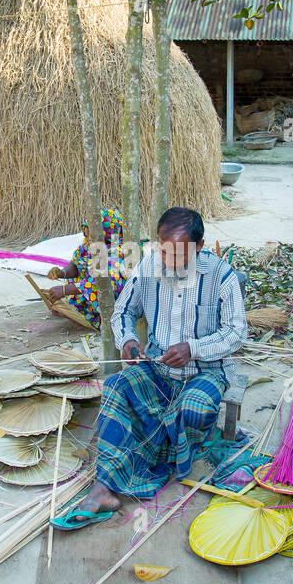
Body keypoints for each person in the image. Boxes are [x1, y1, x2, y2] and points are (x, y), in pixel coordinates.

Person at [52, 207, 247, 529]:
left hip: (206, 371)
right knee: (116, 386)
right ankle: (104, 489)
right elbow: (122, 313)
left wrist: (193, 349)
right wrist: (128, 341)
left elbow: (237, 332)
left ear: (199, 246)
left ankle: (139, 448)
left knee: (194, 409)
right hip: (158, 368)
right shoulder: (148, 267)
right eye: (164, 250)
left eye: (179, 253)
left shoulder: (221, 275)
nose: (169, 261)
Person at [45, 208, 128, 329]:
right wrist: (62, 273)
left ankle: (95, 318)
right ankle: (76, 311)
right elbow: (76, 264)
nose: (87, 238)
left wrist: (65, 290)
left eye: (91, 235)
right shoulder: (87, 246)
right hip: (90, 294)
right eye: (85, 233)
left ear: (107, 233)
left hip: (113, 305)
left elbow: (103, 283)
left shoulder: (118, 252)